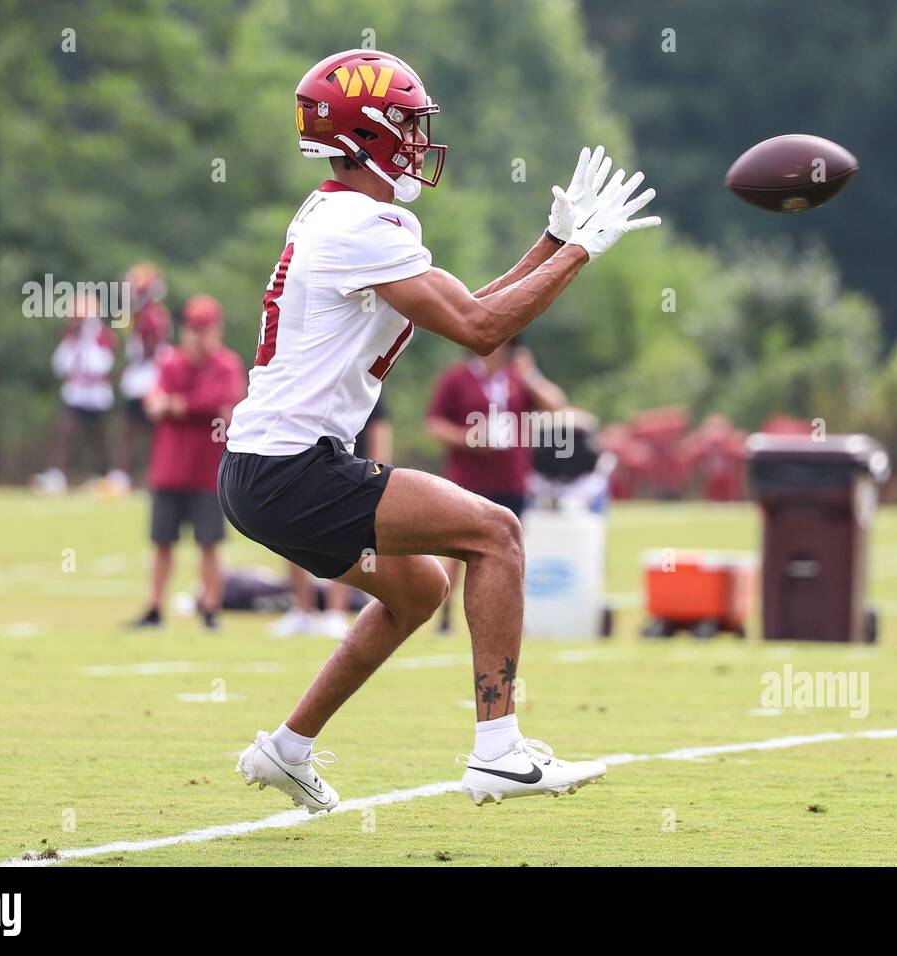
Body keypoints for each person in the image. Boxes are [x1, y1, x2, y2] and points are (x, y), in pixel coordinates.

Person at [219, 49, 658, 810]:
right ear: (367, 134)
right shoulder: (364, 222)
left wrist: (551, 244)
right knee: (497, 533)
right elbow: (483, 329)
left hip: (261, 468)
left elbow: (464, 307)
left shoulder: (337, 212)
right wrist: (585, 249)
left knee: (420, 588)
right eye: (407, 126)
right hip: (294, 467)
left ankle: (287, 749)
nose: (418, 143)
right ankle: (498, 749)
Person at [426, 338, 565, 632]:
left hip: (510, 478)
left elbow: (556, 405)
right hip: (467, 478)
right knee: (455, 549)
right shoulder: (457, 378)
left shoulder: (517, 378)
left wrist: (531, 374)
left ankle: (508, 617)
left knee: (510, 551)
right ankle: (444, 615)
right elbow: (435, 424)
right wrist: (468, 438)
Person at [130, 295, 246, 631]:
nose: (197, 336)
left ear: (217, 330)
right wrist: (178, 406)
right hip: (169, 470)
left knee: (210, 544)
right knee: (161, 542)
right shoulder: (172, 364)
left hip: (208, 473)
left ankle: (211, 607)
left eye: (204, 329)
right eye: (193, 329)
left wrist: (178, 405)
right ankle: (154, 607)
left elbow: (220, 402)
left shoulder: (226, 365)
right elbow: (154, 403)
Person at [271, 397, 390, 639]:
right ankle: (302, 610)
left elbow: (379, 426)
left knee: (343, 542)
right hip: (304, 467)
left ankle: (336, 613)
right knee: (292, 537)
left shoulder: (360, 377)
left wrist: (378, 469)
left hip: (351, 471)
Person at [32, 293, 116, 494]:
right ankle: (56, 476)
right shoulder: (69, 335)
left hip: (96, 395)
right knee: (63, 432)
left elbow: (102, 365)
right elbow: (60, 364)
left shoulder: (102, 334)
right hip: (75, 393)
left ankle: (103, 477)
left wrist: (86, 342)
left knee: (98, 439)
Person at [112, 262, 172, 491]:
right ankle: (133, 476)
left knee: (137, 429)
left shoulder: (148, 314)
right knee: (136, 430)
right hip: (145, 375)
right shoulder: (146, 312)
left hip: (145, 378)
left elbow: (149, 347)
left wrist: (130, 363)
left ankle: (143, 475)